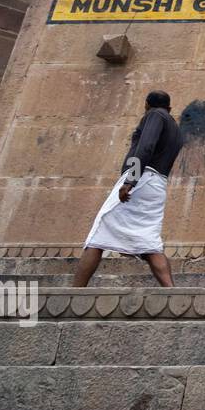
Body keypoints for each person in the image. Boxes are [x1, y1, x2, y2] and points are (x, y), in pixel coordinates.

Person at [74, 90, 183, 287]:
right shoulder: (174, 127)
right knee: (150, 242)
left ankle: (74, 292)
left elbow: (146, 147)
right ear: (170, 108)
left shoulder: (155, 115)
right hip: (158, 184)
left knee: (98, 233)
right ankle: (171, 292)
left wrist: (130, 181)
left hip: (140, 180)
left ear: (146, 105)